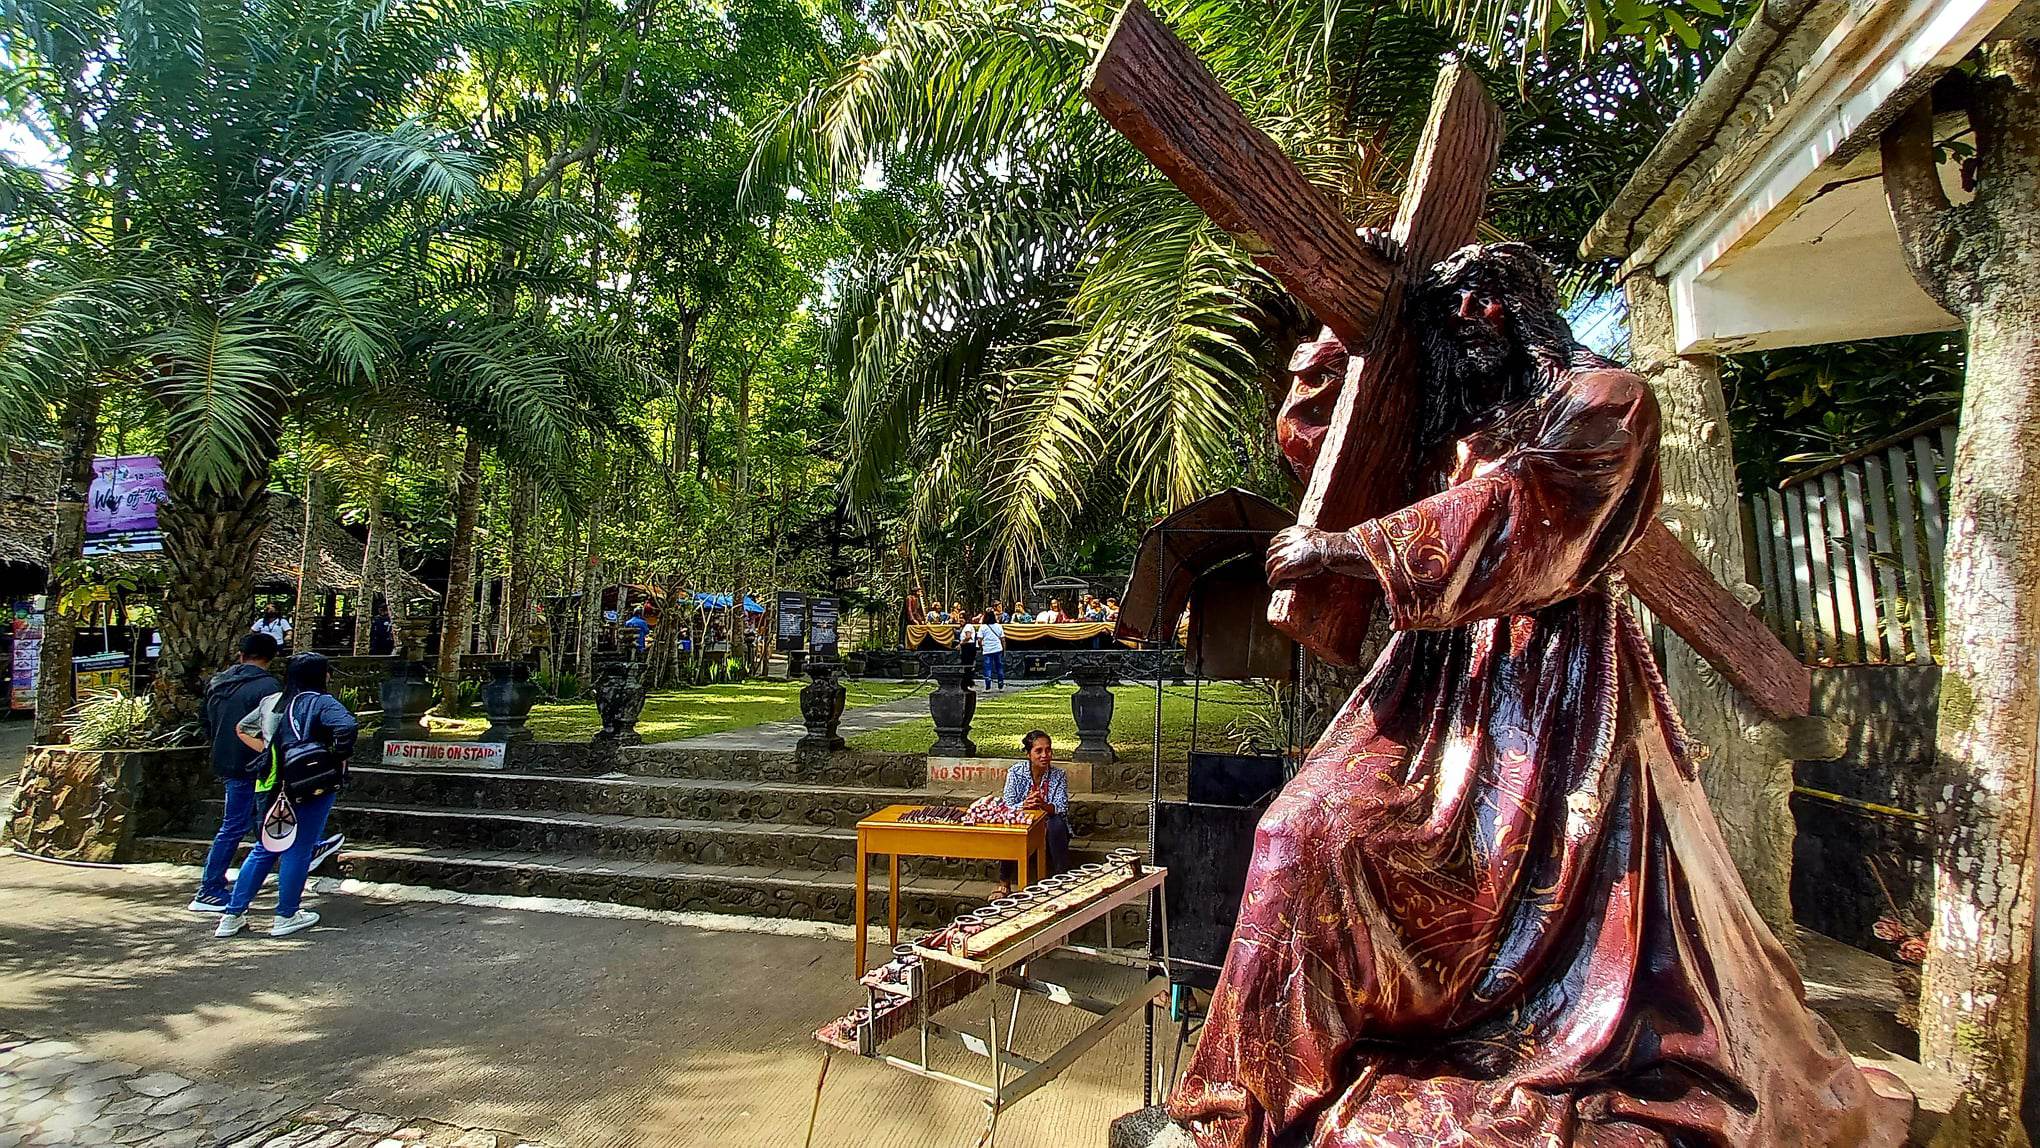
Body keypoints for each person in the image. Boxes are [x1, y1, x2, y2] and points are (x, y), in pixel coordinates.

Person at [1165, 242, 1907, 1147]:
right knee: (1298, 830)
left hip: (1557, 698)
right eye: (1449, 316)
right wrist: (1346, 329)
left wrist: (1358, 551)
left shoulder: (1609, 404)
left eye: (1479, 305)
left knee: (1540, 908)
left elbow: (1530, 513)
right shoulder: (1461, 427)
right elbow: (1325, 451)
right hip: (1437, 681)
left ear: (1517, 307)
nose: (1468, 326)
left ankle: (1517, 1033)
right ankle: (1244, 1101)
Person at [215, 653, 359, 939]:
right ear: (320, 675)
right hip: (308, 782)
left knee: (265, 847)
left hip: (270, 782)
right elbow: (347, 726)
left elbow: (244, 729)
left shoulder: (275, 701)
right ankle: (286, 914)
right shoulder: (320, 701)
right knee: (298, 848)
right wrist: (337, 756)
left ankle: (232, 915)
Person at [188, 633, 282, 912]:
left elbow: (205, 719)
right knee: (237, 825)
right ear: (271, 657)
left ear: (241, 654)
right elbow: (271, 728)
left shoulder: (219, 682)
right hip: (255, 761)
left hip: (226, 758)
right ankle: (209, 889)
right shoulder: (268, 687)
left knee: (246, 823)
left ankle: (219, 885)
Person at [996, 730, 1069, 894]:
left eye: (1048, 750)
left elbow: (1061, 807)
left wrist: (1042, 804)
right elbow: (1007, 805)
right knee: (1011, 827)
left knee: (1057, 824)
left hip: (1048, 821)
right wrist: (1025, 804)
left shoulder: (1059, 775)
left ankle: (1062, 879)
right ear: (1028, 754)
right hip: (1023, 819)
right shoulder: (1015, 772)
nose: (1045, 755)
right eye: (1039, 751)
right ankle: (1004, 882)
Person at [977, 610, 1006, 691]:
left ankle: (988, 686)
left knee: (988, 668)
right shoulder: (998, 626)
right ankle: (1000, 685)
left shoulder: (983, 627)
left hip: (987, 650)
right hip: (998, 649)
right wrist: (1004, 649)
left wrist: (981, 646)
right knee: (999, 667)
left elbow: (979, 639)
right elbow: (1003, 639)